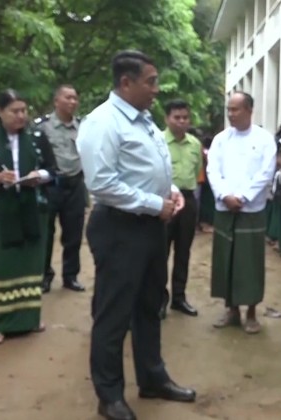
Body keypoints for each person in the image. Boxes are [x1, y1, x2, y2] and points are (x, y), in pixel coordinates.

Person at [77, 50, 197, 420]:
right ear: (126, 83)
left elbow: (152, 168)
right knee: (114, 314)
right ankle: (110, 394)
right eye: (151, 82)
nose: (157, 90)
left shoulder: (142, 120)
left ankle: (152, 376)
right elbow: (102, 183)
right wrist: (151, 202)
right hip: (119, 227)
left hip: (149, 226)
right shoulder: (103, 122)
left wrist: (172, 190)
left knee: (149, 306)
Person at [0, 89, 57, 345]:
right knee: (3, 266)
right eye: (15, 111)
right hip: (1, 212)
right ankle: (0, 323)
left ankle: (30, 319)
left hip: (33, 208)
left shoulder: (37, 136)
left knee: (32, 263)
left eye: (24, 110)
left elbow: (52, 170)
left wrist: (38, 177)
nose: (21, 116)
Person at [207, 91, 277, 334]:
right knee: (226, 259)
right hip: (224, 207)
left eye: (235, 109)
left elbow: (265, 174)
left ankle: (251, 312)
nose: (230, 114)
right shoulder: (220, 139)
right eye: (229, 109)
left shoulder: (265, 139)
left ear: (249, 110)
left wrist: (244, 197)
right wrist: (225, 195)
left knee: (250, 262)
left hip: (251, 209)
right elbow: (213, 171)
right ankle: (232, 310)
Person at [36, 84, 86, 293]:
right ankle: (44, 275)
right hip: (51, 186)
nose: (72, 102)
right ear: (56, 101)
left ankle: (70, 275)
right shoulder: (43, 128)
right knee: (46, 233)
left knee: (74, 234)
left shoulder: (83, 127)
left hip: (76, 185)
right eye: (67, 98)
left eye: (75, 98)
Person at [162, 99, 203, 318]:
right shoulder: (157, 141)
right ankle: (160, 299)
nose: (181, 121)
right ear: (167, 118)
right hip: (164, 201)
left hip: (188, 200)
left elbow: (197, 171)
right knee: (161, 252)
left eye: (185, 117)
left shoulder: (195, 144)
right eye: (176, 117)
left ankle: (179, 297)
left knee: (183, 251)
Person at [197, 134, 216, 233]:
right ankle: (205, 223)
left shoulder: (204, 151)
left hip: (203, 180)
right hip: (204, 180)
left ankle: (202, 223)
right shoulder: (207, 152)